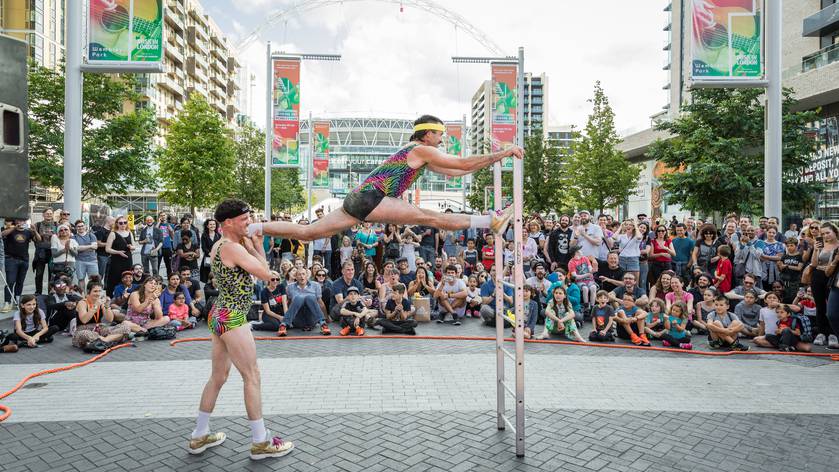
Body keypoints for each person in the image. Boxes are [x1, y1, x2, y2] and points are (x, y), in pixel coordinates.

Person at [248, 116, 521, 244]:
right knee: (430, 218)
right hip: (373, 199)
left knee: (308, 233)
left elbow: (457, 171)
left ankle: (255, 228)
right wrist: (503, 153)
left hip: (358, 199)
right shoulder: (421, 150)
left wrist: (490, 161)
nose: (443, 139)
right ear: (427, 135)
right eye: (440, 134)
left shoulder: (417, 154)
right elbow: (461, 163)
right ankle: (490, 221)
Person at [189, 199, 294, 460]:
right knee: (252, 376)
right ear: (228, 223)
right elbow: (268, 275)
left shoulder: (221, 245)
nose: (250, 222)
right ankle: (260, 442)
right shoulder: (233, 249)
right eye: (245, 219)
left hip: (219, 314)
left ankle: (199, 435)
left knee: (218, 377)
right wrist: (258, 246)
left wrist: (251, 245)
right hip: (232, 318)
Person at [72, 281, 133, 351]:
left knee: (126, 328)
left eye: (99, 291)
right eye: (95, 291)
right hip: (84, 330)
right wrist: (95, 307)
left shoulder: (100, 302)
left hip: (99, 329)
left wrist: (107, 305)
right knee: (85, 334)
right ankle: (110, 340)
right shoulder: (82, 303)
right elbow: (84, 320)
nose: (98, 294)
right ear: (89, 291)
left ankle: (103, 341)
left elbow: (110, 319)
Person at [2, 219, 41, 312]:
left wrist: (35, 231)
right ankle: (7, 302)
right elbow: (2, 234)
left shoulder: (28, 232)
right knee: (10, 282)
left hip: (24, 260)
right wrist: (14, 228)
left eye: (23, 221)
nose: (21, 223)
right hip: (11, 259)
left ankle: (17, 300)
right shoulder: (10, 230)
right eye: (19, 221)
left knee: (20, 281)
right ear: (16, 222)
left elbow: (39, 240)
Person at [280, 268, 331, 336]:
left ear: (307, 275)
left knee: (310, 297)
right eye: (299, 274)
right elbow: (288, 303)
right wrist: (286, 316)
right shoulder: (290, 287)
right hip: (298, 319)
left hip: (312, 318)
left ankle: (323, 324)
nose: (302, 276)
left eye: (303, 274)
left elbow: (320, 302)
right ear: (296, 277)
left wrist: (326, 317)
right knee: (298, 298)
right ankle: (284, 325)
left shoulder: (316, 285)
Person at [105, 216, 135, 297]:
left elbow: (134, 246)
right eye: (121, 223)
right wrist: (118, 252)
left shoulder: (129, 233)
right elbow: (107, 249)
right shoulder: (113, 233)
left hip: (127, 260)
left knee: (128, 279)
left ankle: (126, 297)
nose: (123, 224)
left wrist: (131, 247)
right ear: (117, 224)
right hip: (116, 260)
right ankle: (111, 297)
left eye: (125, 222)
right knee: (114, 278)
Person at [32, 209, 57, 295]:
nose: (49, 215)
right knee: (39, 274)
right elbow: (36, 240)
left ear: (53, 214)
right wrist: (35, 231)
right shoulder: (38, 225)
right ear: (43, 214)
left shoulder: (56, 225)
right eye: (47, 213)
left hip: (52, 252)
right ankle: (38, 293)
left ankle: (51, 293)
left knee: (52, 275)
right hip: (41, 252)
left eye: (50, 213)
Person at [72, 221, 100, 289]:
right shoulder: (74, 238)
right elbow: (77, 248)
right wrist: (90, 246)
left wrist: (81, 247)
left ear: (85, 226)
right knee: (81, 279)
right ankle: (82, 296)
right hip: (79, 261)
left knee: (94, 280)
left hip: (92, 261)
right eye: (78, 226)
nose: (80, 227)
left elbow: (95, 247)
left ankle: (91, 295)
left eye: (82, 226)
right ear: (76, 228)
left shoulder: (91, 235)